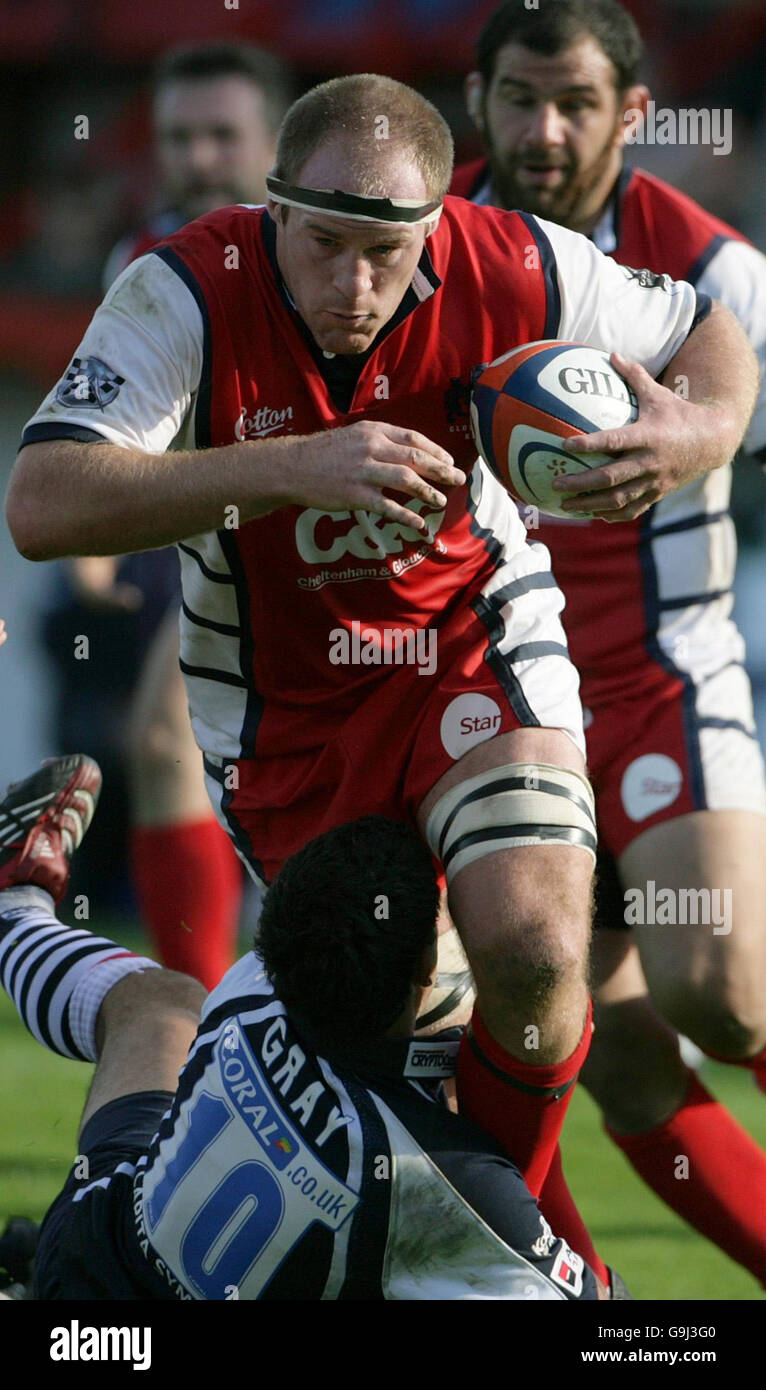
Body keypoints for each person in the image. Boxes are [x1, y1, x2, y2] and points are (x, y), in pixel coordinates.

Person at [5, 72, 758, 1212]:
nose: (356, 284)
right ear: (275, 210)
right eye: (326, 245)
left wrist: (693, 433)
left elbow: (707, 324)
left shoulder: (513, 259)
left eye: (388, 253)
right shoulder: (181, 289)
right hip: (283, 706)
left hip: (474, 643)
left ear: (433, 228)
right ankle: (511, 1255)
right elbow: (43, 501)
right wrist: (289, 464)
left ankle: (513, 1266)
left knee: (541, 950)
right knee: (393, 1034)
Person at [451, 0, 766, 1285]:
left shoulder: (716, 274)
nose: (542, 129)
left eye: (573, 103)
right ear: (477, 98)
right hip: (483, 684)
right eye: (518, 98)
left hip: (655, 671)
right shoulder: (425, 246)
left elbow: (734, 395)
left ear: (633, 113)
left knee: (722, 992)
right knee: (578, 1034)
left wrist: (698, 432)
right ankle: (577, 1304)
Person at [0, 754, 608, 1300]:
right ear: (426, 969)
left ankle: (15, 905)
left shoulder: (253, 987)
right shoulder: (443, 1179)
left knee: (158, 1005)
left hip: (96, 1248)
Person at [63, 43, 295, 988]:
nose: (198, 156)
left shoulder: (328, 244)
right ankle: (199, 1016)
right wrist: (91, 538)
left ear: (279, 139)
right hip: (229, 545)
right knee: (164, 743)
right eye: (177, 137)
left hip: (358, 541)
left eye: (222, 134)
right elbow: (114, 415)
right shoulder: (145, 257)